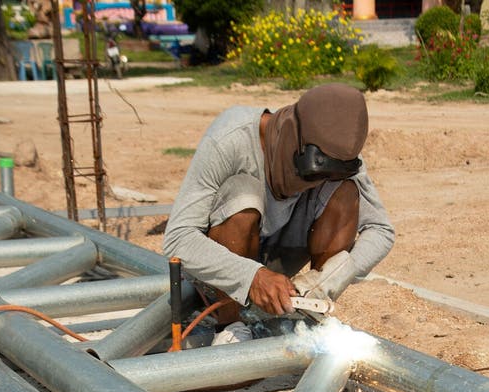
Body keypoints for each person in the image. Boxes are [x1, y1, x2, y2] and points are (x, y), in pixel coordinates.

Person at [163, 83, 395, 343]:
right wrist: (251, 276)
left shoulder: (337, 148)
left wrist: (328, 279)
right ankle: (231, 327)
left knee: (345, 191)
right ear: (290, 137)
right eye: (310, 175)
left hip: (282, 261)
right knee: (243, 192)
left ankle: (307, 315)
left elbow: (381, 231)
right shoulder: (232, 138)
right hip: (223, 270)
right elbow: (178, 238)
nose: (314, 185)